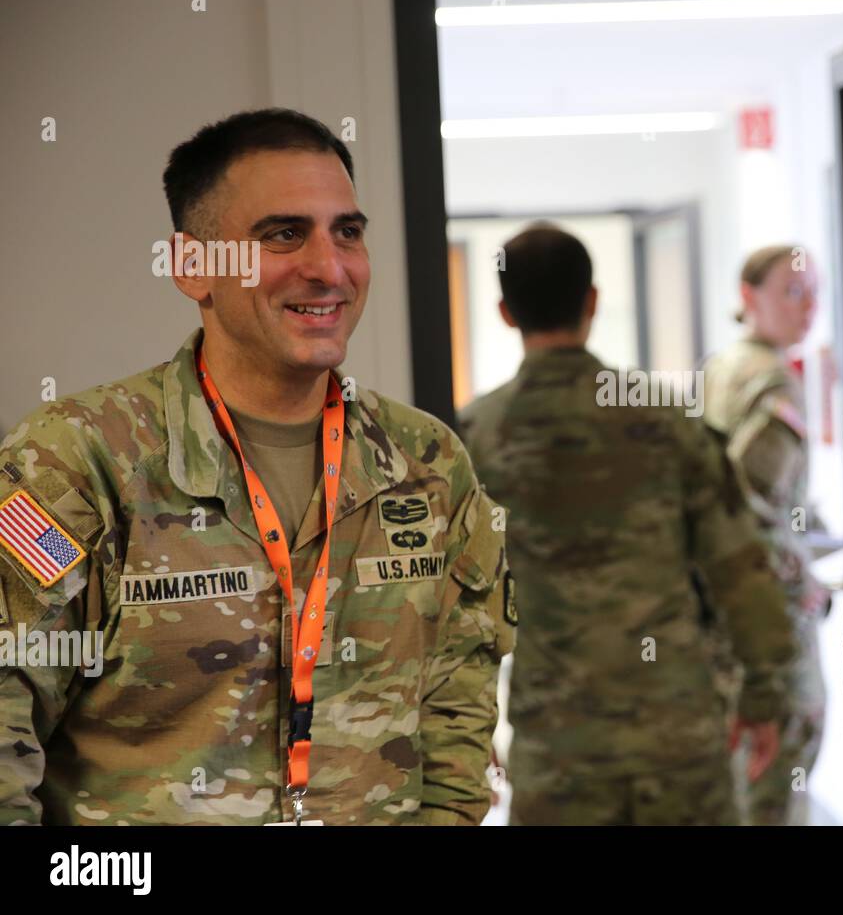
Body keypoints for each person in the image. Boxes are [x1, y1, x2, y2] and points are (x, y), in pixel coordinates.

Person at [0, 108, 513, 825]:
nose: (329, 268)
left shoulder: (426, 463)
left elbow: (457, 718)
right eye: (283, 234)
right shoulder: (77, 463)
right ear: (192, 267)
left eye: (348, 232)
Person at [459, 223, 794, 825]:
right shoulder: (667, 421)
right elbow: (740, 566)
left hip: (557, 750)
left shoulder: (473, 439)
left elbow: (451, 605)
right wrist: (764, 695)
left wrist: (462, 729)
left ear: (505, 313)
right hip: (679, 741)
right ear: (593, 301)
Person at [701, 245, 828, 826]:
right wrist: (807, 589)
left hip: (722, 624)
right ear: (748, 297)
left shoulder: (718, 368)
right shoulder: (773, 381)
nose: (808, 306)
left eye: (813, 292)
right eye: (792, 291)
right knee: (778, 778)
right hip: (769, 631)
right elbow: (751, 516)